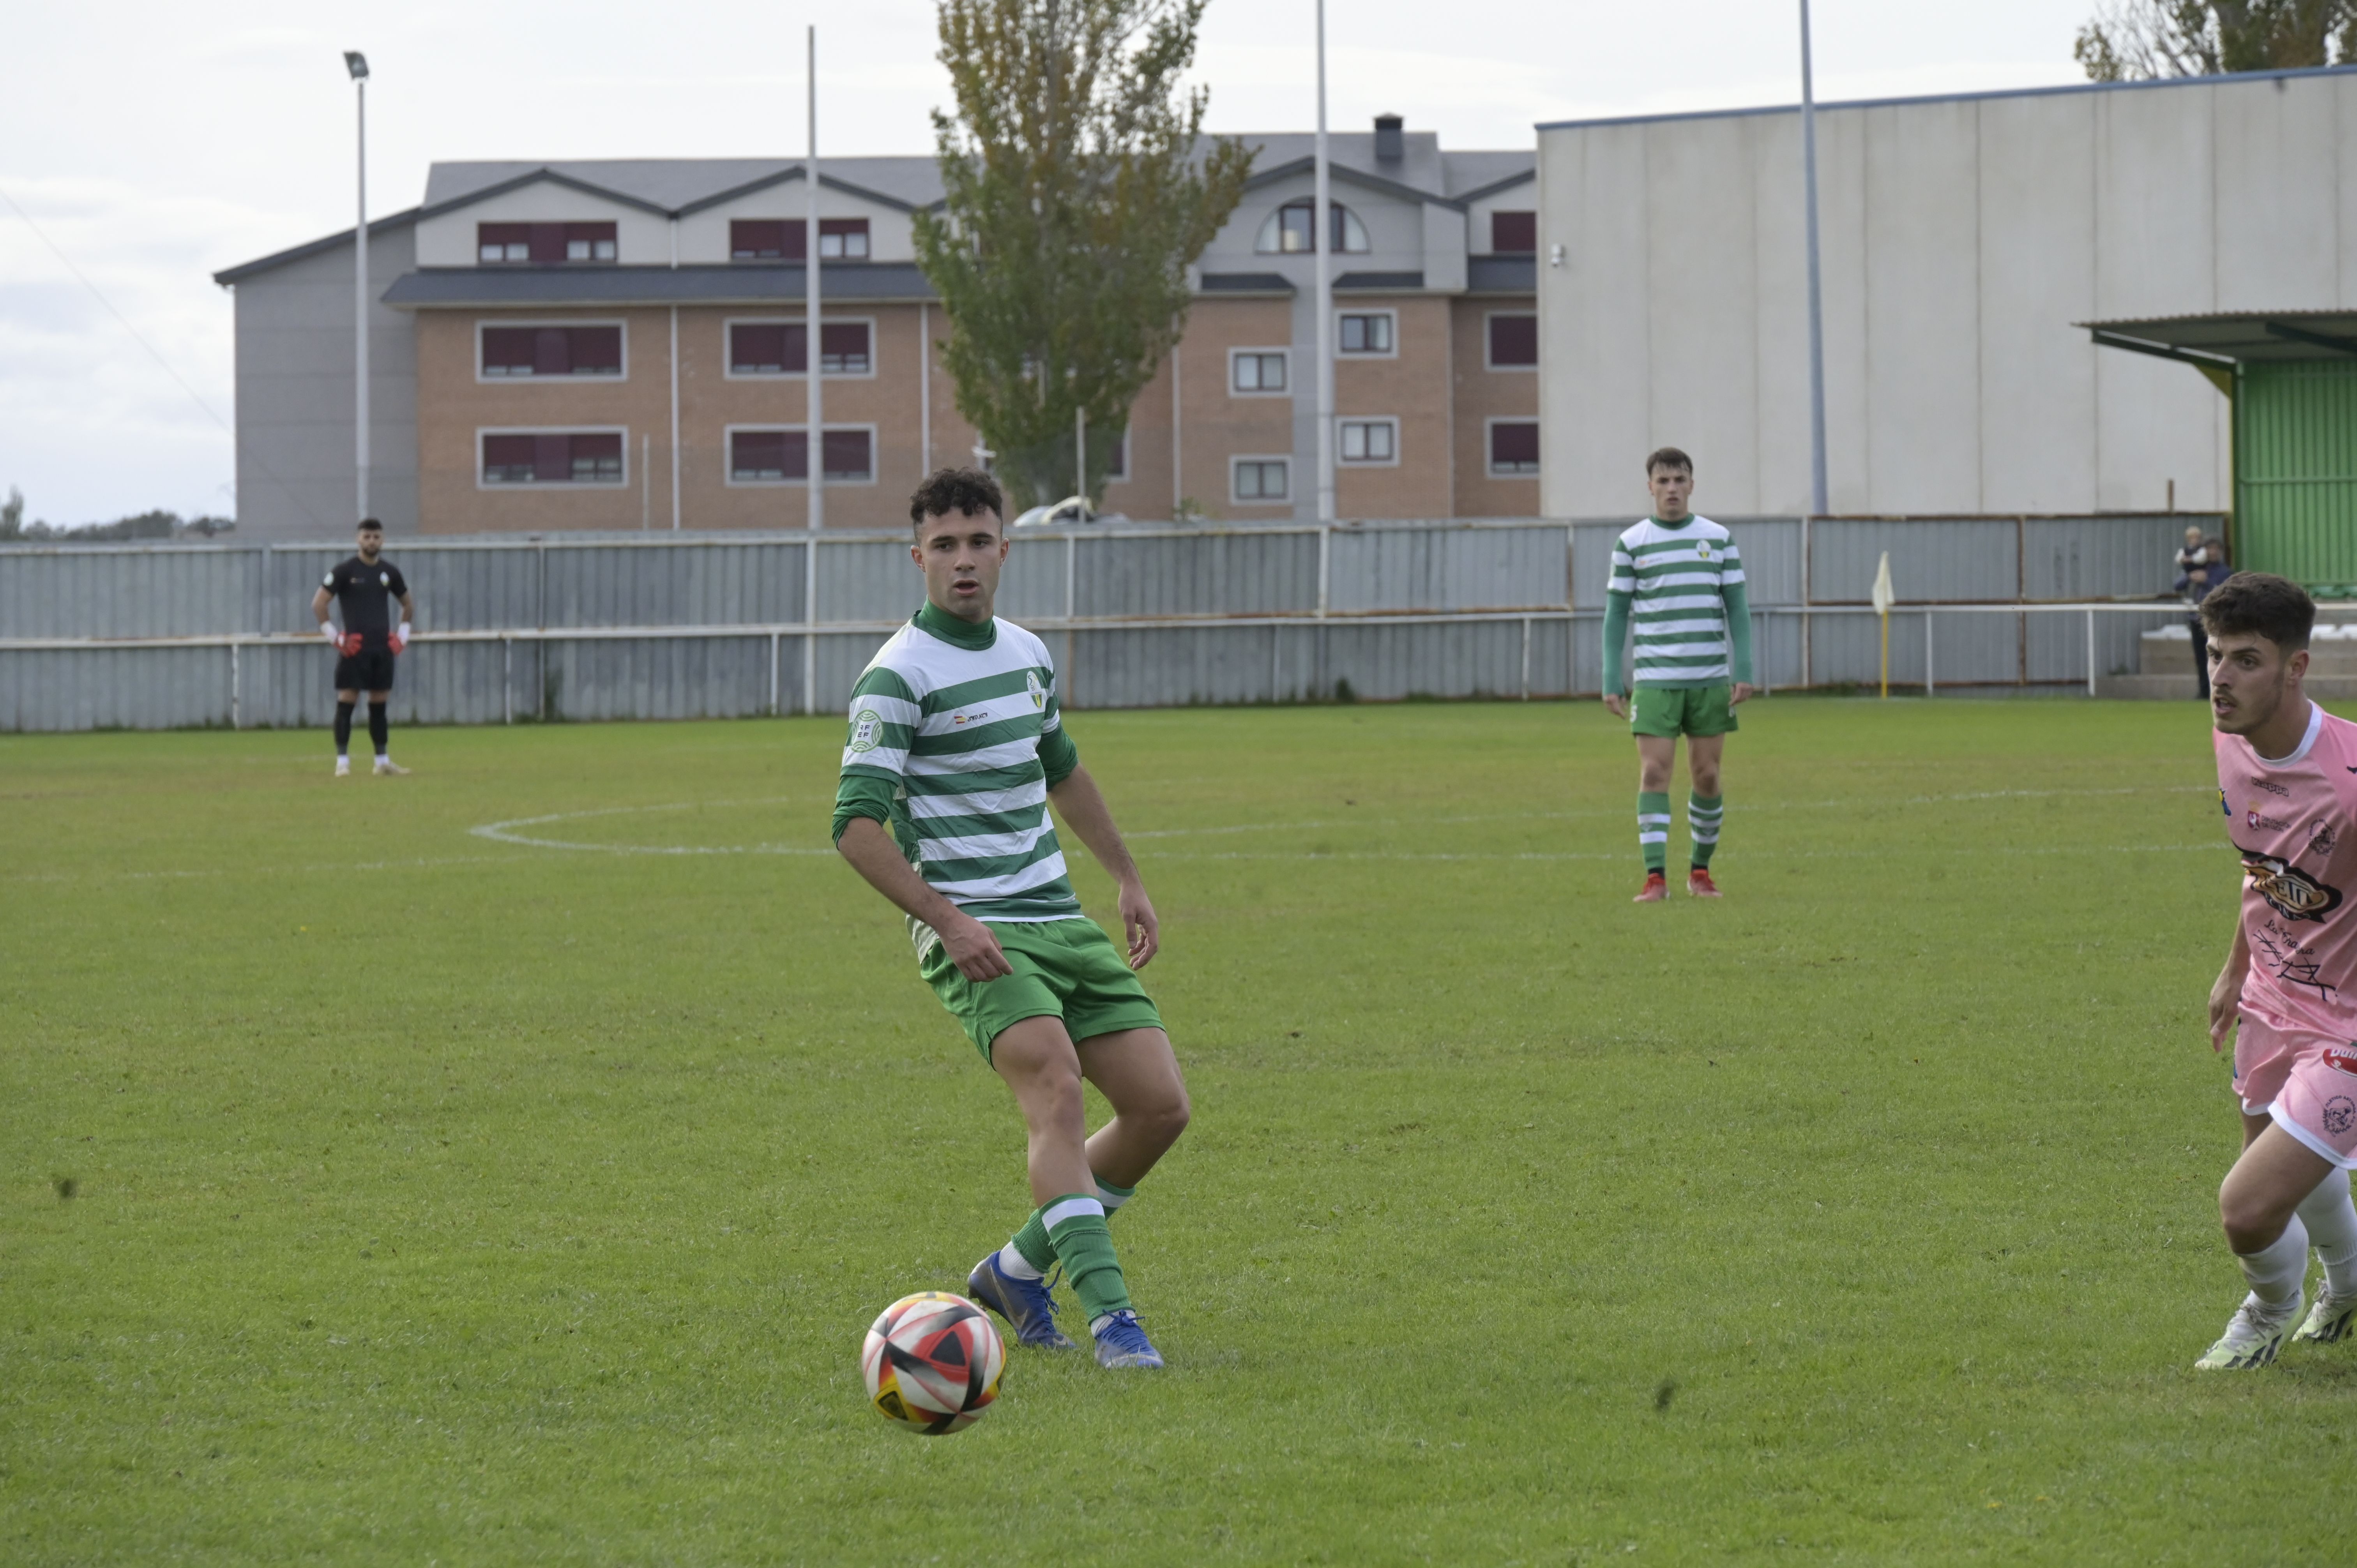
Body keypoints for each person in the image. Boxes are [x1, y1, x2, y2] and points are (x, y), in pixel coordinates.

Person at [832, 467, 1189, 1371]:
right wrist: (947, 920)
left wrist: (1127, 875)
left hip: (1060, 917)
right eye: (944, 545)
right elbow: (855, 826)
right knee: (1059, 1093)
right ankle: (1116, 1322)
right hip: (981, 932)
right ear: (917, 557)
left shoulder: (1027, 652)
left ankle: (1017, 1267)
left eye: (978, 541)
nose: (963, 560)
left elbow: (1062, 766)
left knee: (1158, 1107)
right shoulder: (896, 675)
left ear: (1005, 547)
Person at [2195, 571, 2357, 1368]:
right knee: (2293, 1169)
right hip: (2269, 998)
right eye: (2215, 654)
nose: (2221, 679)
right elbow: (2264, 866)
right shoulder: (2229, 735)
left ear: (2296, 668)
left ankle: (2268, 1308)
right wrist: (2234, 969)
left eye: (2246, 660)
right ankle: (2350, 1282)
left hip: (2348, 1026)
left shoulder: (2352, 776)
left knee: (2247, 1208)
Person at [1601, 447, 1754, 901]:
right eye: (1663, 481)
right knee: (1654, 773)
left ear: (1692, 485)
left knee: (1707, 776)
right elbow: (1616, 616)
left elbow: (1738, 610)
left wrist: (1742, 669)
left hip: (1709, 680)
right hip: (1655, 683)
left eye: (1679, 480)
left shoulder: (1719, 538)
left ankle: (1700, 873)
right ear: (1650, 487)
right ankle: (1655, 879)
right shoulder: (1632, 543)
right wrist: (1613, 677)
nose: (1672, 488)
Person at [310, 518, 415, 777]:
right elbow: (319, 604)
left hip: (381, 650)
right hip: (354, 650)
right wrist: (335, 638)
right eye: (367, 537)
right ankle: (342, 763)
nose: (372, 542)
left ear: (383, 540)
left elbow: (408, 605)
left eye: (376, 537)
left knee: (379, 706)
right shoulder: (345, 570)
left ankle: (382, 762)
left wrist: (402, 636)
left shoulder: (390, 572)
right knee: (347, 702)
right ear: (359, 539)